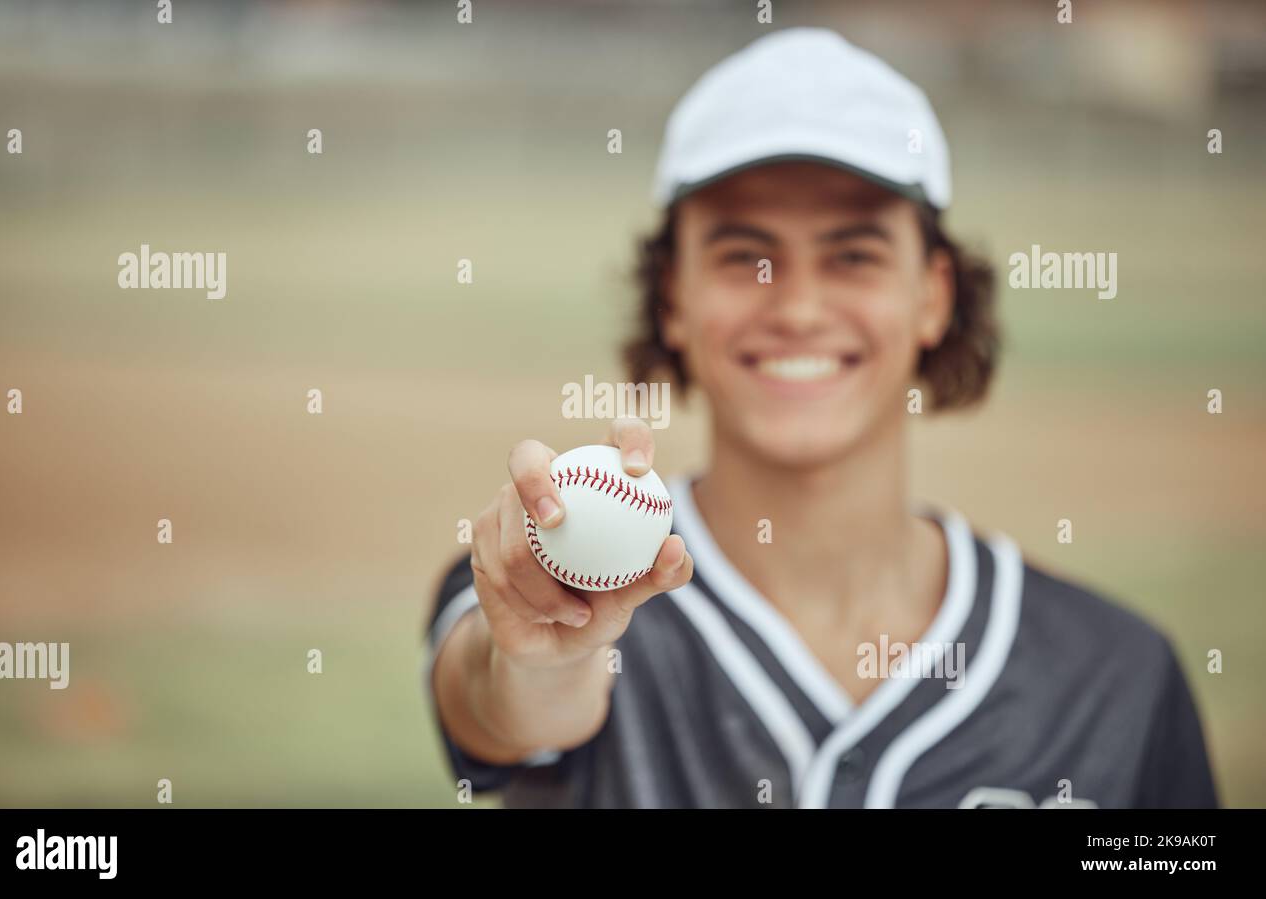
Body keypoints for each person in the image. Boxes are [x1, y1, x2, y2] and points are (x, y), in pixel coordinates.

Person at [423, 28, 1218, 808]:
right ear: (672, 296)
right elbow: (502, 705)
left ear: (933, 294)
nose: (798, 307)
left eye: (853, 255)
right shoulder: (547, 582)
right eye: (744, 255)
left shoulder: (1117, 675)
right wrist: (547, 658)